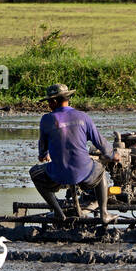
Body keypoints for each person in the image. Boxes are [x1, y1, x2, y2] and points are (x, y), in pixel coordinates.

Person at [30, 84, 113, 224]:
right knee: (100, 170)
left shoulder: (46, 120)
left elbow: (42, 149)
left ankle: (58, 213)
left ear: (55, 101)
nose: (48, 105)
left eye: (49, 102)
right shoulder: (83, 117)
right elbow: (100, 142)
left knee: (34, 173)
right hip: (84, 173)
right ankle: (104, 213)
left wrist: (44, 154)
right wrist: (111, 155)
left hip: (58, 175)